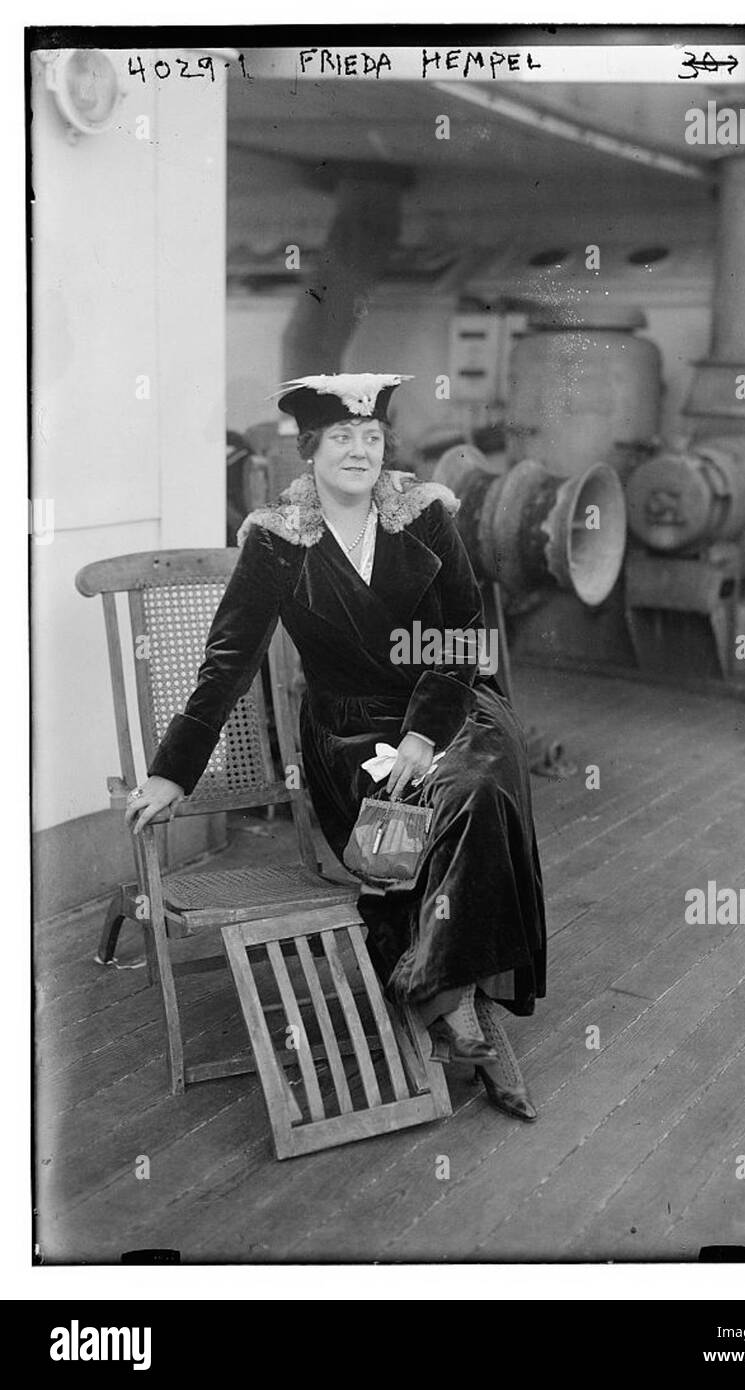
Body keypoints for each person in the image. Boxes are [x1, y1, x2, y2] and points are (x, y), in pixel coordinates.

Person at [125, 372, 547, 1123]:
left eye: (372, 438)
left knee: (474, 788)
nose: (360, 451)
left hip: (448, 705)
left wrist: (423, 734)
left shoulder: (425, 517)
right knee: (399, 828)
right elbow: (230, 661)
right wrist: (173, 772)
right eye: (343, 439)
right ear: (310, 450)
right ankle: (450, 999)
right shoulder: (277, 542)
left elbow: (460, 633)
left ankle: (454, 999)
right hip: (351, 732)